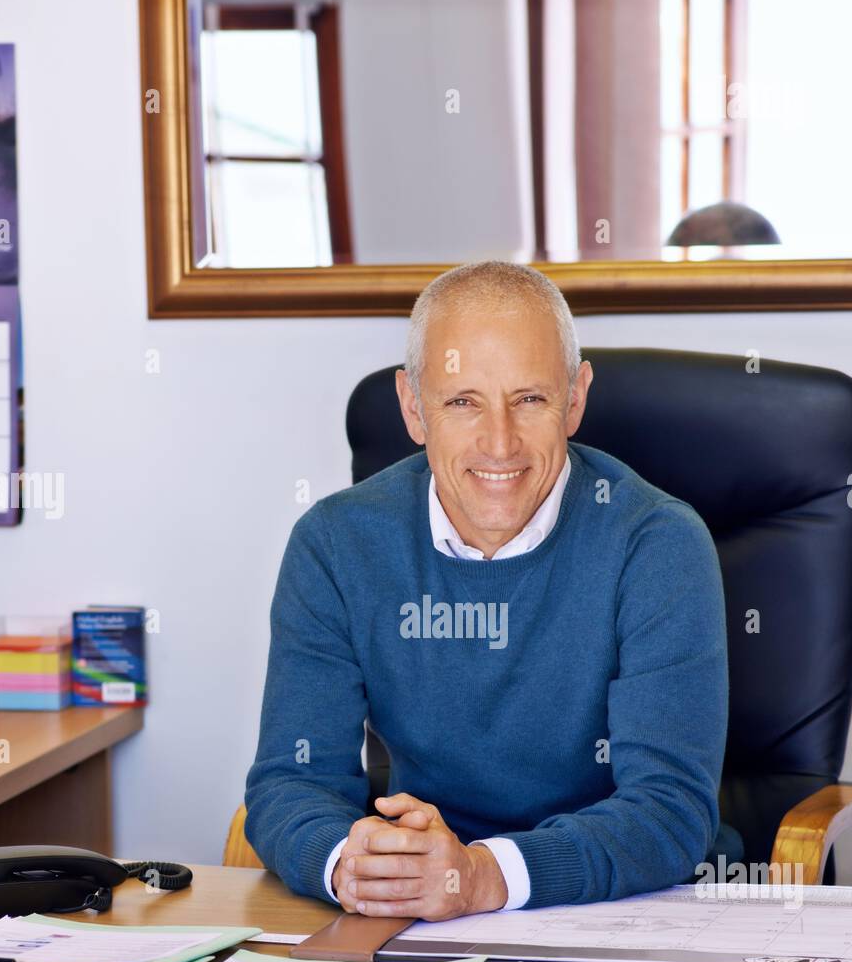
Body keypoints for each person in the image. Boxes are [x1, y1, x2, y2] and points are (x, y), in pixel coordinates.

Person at [244, 261, 727, 919]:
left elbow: (671, 810)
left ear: (576, 398)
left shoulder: (658, 543)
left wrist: (480, 875)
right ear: (414, 407)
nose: (499, 443)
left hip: (618, 909)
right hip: (416, 920)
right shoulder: (334, 544)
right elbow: (291, 782)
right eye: (462, 401)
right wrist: (353, 865)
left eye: (530, 399)